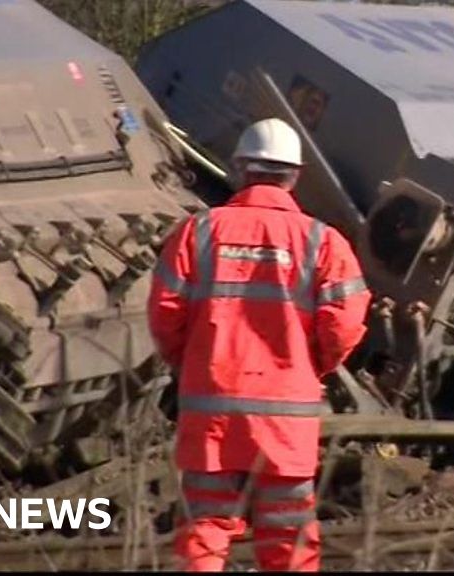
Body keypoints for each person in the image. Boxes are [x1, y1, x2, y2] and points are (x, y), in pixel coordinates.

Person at [148, 118, 371, 572]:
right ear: (295, 175)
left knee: (206, 526)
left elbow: (165, 311)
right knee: (288, 533)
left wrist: (190, 364)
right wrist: (315, 366)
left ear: (240, 170)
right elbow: (345, 323)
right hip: (286, 419)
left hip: (212, 411)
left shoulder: (198, 232)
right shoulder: (322, 242)